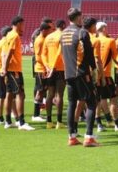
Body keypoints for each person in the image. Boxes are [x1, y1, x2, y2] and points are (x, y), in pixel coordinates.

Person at [61, 8, 101, 147]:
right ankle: (89, 137)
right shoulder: (82, 32)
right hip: (82, 73)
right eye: (81, 17)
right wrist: (94, 69)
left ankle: (71, 137)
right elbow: (89, 53)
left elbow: (63, 53)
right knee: (91, 103)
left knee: (72, 103)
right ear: (78, 18)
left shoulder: (63, 33)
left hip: (69, 73)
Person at [0, 16, 35, 131]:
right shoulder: (14, 36)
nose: (24, 27)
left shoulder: (8, 35)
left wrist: (4, 68)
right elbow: (9, 52)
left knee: (9, 94)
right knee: (20, 94)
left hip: (10, 69)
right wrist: (5, 68)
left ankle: (8, 121)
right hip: (14, 69)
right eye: (23, 24)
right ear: (19, 24)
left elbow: (4, 53)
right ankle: (21, 122)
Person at [42, 20, 67, 129]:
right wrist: (53, 67)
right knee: (59, 95)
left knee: (50, 94)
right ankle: (59, 122)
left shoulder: (48, 37)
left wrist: (47, 66)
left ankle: (49, 122)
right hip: (60, 68)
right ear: (63, 26)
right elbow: (59, 53)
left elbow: (43, 54)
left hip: (50, 69)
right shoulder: (62, 36)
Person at [32, 22, 53, 123]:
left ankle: (38, 114)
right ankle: (35, 115)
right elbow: (38, 57)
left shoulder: (43, 39)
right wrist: (47, 66)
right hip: (41, 69)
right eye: (48, 31)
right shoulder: (39, 41)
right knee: (40, 91)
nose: (49, 33)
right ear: (44, 30)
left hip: (43, 69)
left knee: (43, 90)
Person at [0, 25, 12, 126]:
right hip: (5, 71)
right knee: (9, 94)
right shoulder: (6, 42)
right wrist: (4, 66)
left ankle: (0, 119)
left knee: (0, 96)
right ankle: (9, 117)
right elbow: (4, 55)